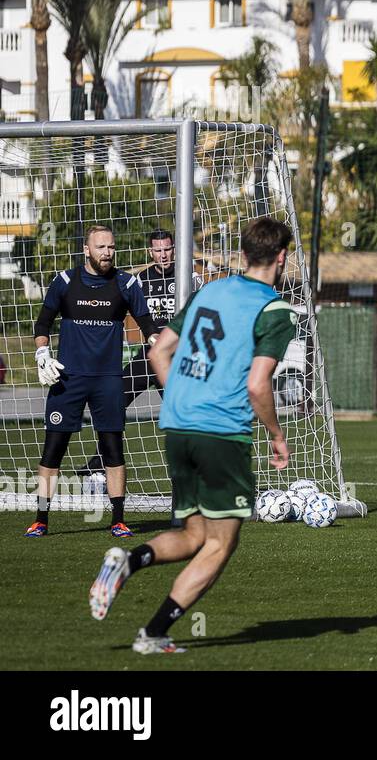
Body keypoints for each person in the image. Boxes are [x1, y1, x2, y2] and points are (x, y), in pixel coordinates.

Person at [88, 217, 296, 654]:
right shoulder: (275, 309)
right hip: (221, 433)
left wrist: (181, 398)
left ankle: (128, 560)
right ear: (282, 257)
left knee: (195, 535)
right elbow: (259, 386)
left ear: (242, 255)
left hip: (178, 425)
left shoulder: (209, 291)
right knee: (221, 545)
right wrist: (277, 435)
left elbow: (158, 351)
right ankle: (152, 633)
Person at [26, 225, 159, 538]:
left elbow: (146, 323)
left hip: (109, 380)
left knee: (113, 450)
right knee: (52, 450)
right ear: (87, 250)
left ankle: (118, 520)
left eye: (111, 247)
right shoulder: (66, 282)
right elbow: (43, 322)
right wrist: (42, 352)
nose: (107, 253)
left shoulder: (126, 283)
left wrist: (158, 341)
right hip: (68, 379)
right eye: (100, 247)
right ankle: (41, 519)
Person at [121, 229, 204, 412]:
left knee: (181, 412)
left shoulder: (190, 277)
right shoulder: (141, 280)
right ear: (150, 252)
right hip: (150, 352)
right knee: (115, 400)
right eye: (158, 251)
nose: (163, 255)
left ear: (174, 249)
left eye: (167, 249)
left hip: (177, 355)